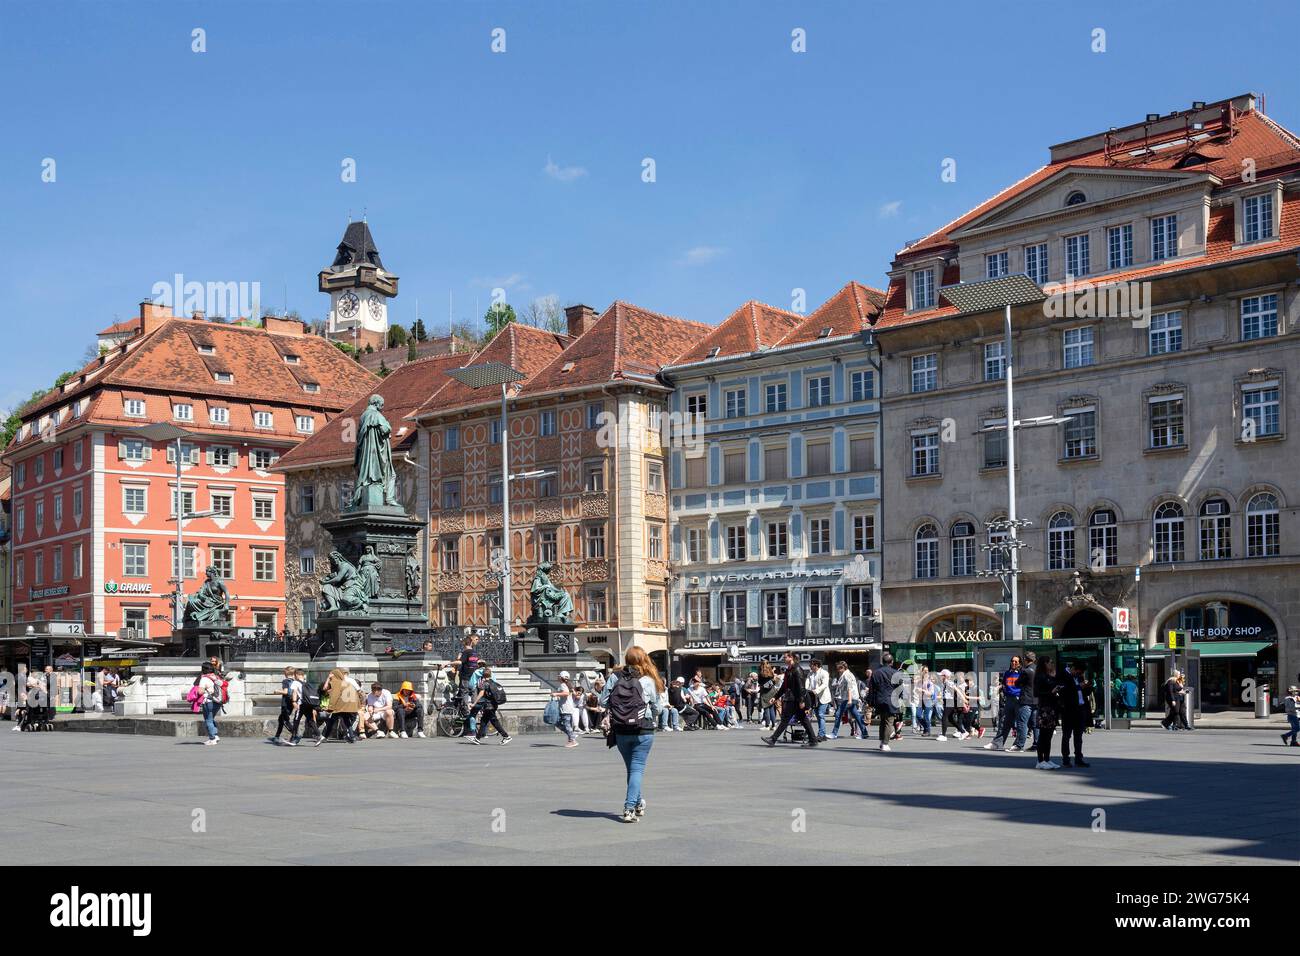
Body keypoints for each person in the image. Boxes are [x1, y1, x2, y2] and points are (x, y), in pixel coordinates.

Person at [599, 645, 663, 823]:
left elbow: (602, 701)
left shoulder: (614, 677)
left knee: (632, 769)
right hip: (643, 729)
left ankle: (638, 803)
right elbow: (657, 707)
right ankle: (629, 809)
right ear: (643, 660)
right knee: (637, 769)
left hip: (620, 729)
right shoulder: (648, 680)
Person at [765, 653, 819, 747]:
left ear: (791, 658)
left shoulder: (797, 669)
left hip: (796, 699)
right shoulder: (789, 670)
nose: (784, 658)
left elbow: (801, 686)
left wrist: (801, 700)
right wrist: (775, 697)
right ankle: (813, 740)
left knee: (786, 719)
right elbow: (784, 686)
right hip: (792, 698)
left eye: (785, 657)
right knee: (803, 719)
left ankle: (773, 739)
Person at [984, 656, 1026, 751]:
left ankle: (1018, 745)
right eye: (1012, 661)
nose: (1014, 663)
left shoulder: (1022, 673)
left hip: (1019, 699)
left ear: (1019, 663)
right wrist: (1005, 693)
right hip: (1009, 699)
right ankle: (997, 743)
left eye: (1016, 661)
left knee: (1020, 723)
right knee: (1004, 722)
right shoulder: (1007, 673)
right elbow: (1004, 685)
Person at [1058, 661, 1091, 768]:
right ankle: (1066, 759)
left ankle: (1078, 758)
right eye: (1078, 672)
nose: (1079, 674)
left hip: (1080, 708)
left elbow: (1085, 692)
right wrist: (1078, 686)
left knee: (1078, 736)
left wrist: (1087, 686)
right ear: (1073, 668)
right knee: (1066, 735)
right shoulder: (1063, 675)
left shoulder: (1079, 676)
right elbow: (1063, 691)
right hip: (1069, 710)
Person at [316, 668, 361, 744]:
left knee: (332, 721)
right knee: (346, 720)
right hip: (348, 705)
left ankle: (325, 737)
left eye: (332, 676)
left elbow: (333, 695)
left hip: (341, 706)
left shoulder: (337, 683)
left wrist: (330, 707)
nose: (331, 677)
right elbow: (325, 689)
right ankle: (352, 737)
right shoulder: (345, 682)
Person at [470, 667, 513, 745]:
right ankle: (477, 738)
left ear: (483, 675)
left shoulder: (485, 683)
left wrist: (474, 703)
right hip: (493, 704)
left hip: (488, 706)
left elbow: (481, 694)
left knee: (494, 722)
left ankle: (506, 736)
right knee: (484, 721)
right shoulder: (493, 682)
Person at [1033, 657, 1061, 769]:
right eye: (1050, 662)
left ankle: (1047, 759)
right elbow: (1036, 693)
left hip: (1051, 707)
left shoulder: (1048, 676)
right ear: (1045, 663)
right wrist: (1051, 692)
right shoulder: (1040, 676)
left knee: (1049, 735)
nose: (1052, 664)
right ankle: (1040, 760)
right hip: (1045, 708)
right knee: (1044, 735)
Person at [829, 660, 869, 740]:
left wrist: (850, 700)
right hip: (850, 698)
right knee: (856, 715)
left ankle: (834, 733)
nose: (838, 670)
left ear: (843, 668)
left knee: (838, 714)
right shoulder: (846, 674)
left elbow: (849, 688)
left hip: (848, 698)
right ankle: (864, 733)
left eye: (839, 668)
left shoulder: (847, 675)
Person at [869, 652, 900, 752]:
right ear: (891, 662)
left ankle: (882, 741)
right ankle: (885, 743)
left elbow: (871, 689)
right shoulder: (895, 673)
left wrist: (871, 702)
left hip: (879, 699)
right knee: (888, 722)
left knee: (882, 721)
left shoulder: (876, 673)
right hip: (891, 699)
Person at [268, 666, 301, 746]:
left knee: (285, 720)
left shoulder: (285, 681)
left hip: (285, 703)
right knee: (281, 719)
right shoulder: (294, 681)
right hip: (291, 703)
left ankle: (296, 734)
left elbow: (286, 692)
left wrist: (277, 691)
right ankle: (277, 736)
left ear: (285, 673)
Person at [290, 668, 320, 744]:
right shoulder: (306, 683)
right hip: (308, 703)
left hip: (301, 704)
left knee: (296, 720)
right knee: (310, 719)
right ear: (303, 675)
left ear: (296, 675)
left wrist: (294, 702)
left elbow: (295, 692)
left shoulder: (295, 682)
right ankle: (319, 735)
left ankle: (293, 738)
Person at [197, 663, 223, 745]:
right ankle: (215, 735)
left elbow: (200, 692)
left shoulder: (204, 679)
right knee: (211, 719)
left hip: (208, 701)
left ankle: (212, 738)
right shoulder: (216, 677)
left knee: (208, 720)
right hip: (217, 701)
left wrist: (197, 689)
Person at [807, 659, 832, 741]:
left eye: (811, 665)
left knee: (820, 715)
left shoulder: (824, 673)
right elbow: (807, 682)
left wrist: (816, 690)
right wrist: (806, 689)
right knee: (818, 716)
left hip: (823, 697)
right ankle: (823, 734)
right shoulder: (810, 673)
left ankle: (821, 735)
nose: (810, 666)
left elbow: (825, 684)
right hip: (814, 698)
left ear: (816, 665)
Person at [554, 670, 580, 747]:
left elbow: (566, 693)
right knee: (565, 724)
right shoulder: (569, 685)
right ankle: (571, 738)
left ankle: (572, 737)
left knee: (564, 724)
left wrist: (556, 694)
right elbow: (575, 695)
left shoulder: (563, 685)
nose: (557, 677)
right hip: (568, 707)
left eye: (559, 676)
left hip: (565, 707)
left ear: (561, 677)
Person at [1020, 651, 1039, 751]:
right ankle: (1037, 744)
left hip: (1026, 699)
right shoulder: (1038, 669)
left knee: (1023, 722)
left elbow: (1018, 683)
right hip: (1036, 700)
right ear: (1034, 659)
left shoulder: (1026, 670)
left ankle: (1020, 744)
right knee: (1036, 724)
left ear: (1025, 659)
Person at [758, 662, 779, 729]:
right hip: (772, 692)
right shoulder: (771, 673)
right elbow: (773, 681)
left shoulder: (761, 674)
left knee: (766, 708)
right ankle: (773, 725)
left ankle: (767, 725)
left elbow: (760, 683)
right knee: (771, 708)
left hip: (765, 692)